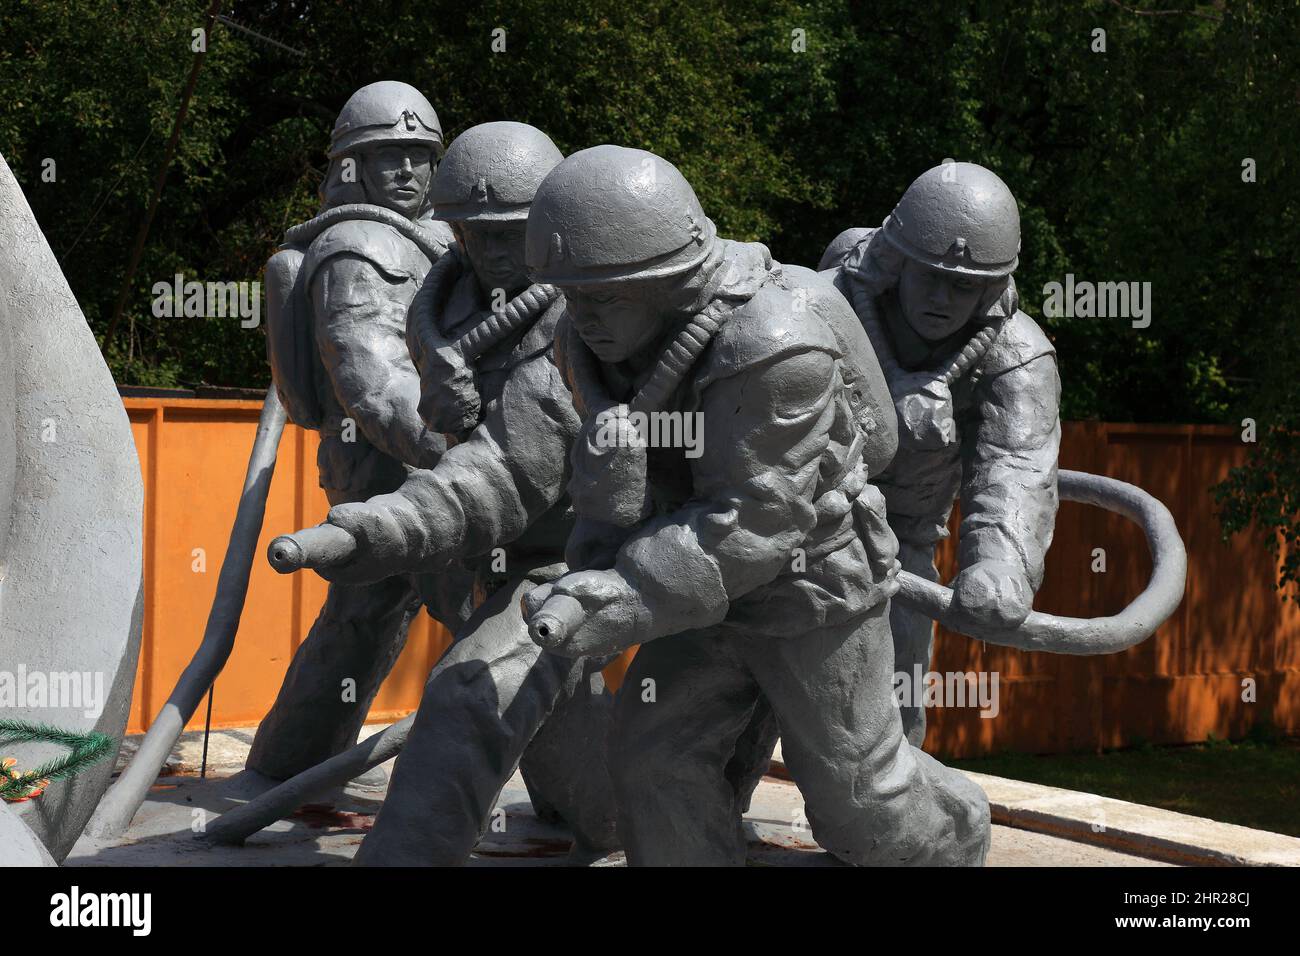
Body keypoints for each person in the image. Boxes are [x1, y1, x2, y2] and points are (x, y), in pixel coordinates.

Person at [522, 146, 991, 866]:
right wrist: (597, 554)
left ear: (666, 280)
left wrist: (624, 591)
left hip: (811, 588)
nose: (582, 316)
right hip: (692, 585)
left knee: (860, 801)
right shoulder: (588, 342)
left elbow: (758, 519)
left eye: (606, 297)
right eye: (572, 294)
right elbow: (622, 485)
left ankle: (956, 837)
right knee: (652, 762)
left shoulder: (773, 344)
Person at [279, 123, 620, 864]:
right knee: (538, 704)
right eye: (475, 233)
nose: (492, 251)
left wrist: (388, 523)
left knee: (470, 692)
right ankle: (619, 817)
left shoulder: (584, 314)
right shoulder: (445, 298)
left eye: (510, 233)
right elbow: (388, 390)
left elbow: (510, 466)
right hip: (495, 533)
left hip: (579, 548)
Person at [246, 81, 473, 784]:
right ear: (353, 166)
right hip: (391, 469)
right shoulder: (356, 249)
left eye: (418, 155)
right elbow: (371, 384)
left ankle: (288, 764)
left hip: (423, 465)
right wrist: (472, 454)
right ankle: (583, 796)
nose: (406, 170)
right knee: (498, 616)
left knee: (363, 616)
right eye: (386, 156)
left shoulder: (444, 239)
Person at [821, 161, 1061, 747]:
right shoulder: (830, 301)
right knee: (727, 703)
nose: (942, 298)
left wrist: (999, 566)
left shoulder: (1015, 354)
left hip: (901, 550)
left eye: (964, 286)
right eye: (930, 276)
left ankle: (894, 797)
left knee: (885, 730)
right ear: (898, 260)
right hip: (790, 533)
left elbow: (1017, 467)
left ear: (991, 287)